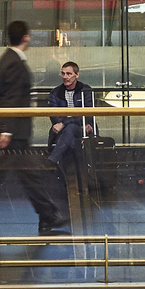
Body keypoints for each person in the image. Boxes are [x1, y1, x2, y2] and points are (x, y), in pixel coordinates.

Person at [0, 21, 69, 236]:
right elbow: (11, 98)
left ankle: (48, 218)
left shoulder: (9, 59)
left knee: (28, 176)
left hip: (13, 132)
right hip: (12, 134)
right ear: (26, 37)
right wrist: (6, 130)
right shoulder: (14, 62)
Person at [48, 61, 99, 202]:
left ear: (77, 75)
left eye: (69, 74)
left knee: (69, 128)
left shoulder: (85, 91)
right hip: (65, 134)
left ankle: (54, 163)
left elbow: (86, 116)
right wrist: (69, 122)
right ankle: (80, 186)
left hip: (82, 129)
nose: (65, 77)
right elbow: (54, 117)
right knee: (71, 143)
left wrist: (64, 122)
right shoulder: (55, 93)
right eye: (63, 73)